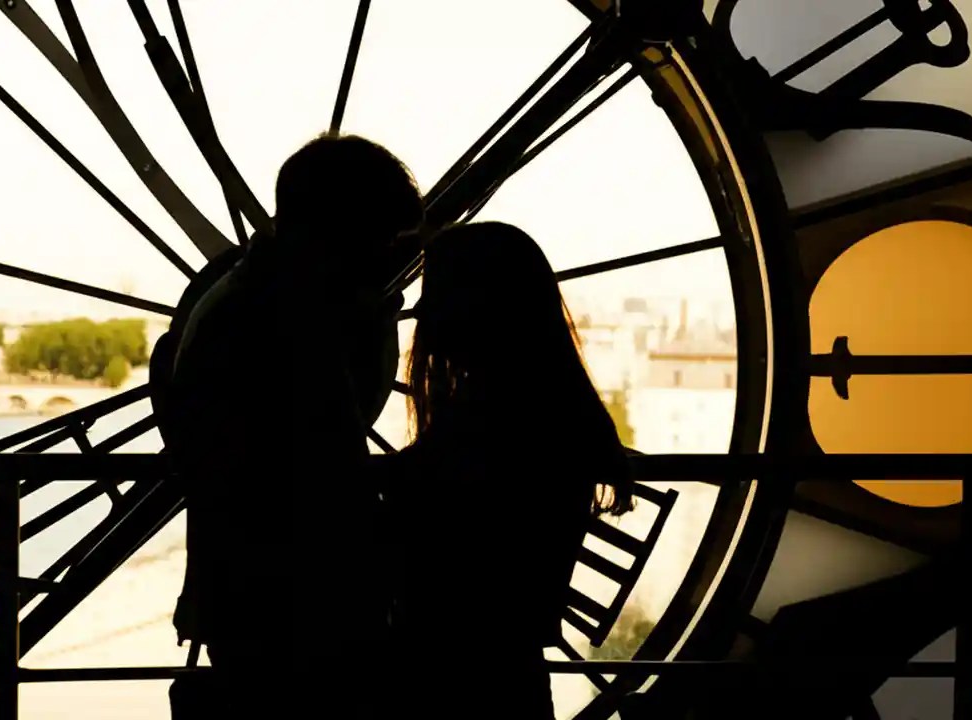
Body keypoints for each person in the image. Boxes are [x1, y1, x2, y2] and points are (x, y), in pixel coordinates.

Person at [166, 134, 423, 717]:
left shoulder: (252, 307)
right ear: (341, 233)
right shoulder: (291, 321)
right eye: (378, 238)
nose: (382, 257)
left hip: (255, 603)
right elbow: (327, 468)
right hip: (297, 605)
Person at [381, 222, 635, 719]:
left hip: (444, 678)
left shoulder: (479, 422)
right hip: (501, 680)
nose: (423, 312)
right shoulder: (542, 416)